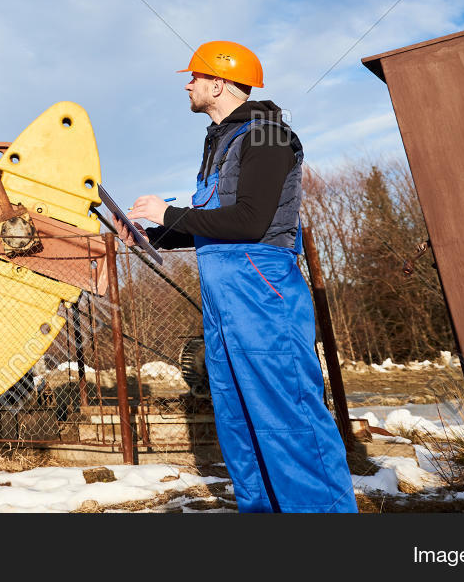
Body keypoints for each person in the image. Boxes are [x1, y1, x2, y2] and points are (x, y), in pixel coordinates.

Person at [123, 40, 356, 513]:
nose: (187, 85)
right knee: (239, 418)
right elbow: (217, 224)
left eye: (194, 77)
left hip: (262, 290)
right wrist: (156, 237)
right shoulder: (222, 141)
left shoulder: (268, 135)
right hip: (224, 294)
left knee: (286, 413)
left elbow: (250, 223)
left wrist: (169, 212)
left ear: (219, 83)